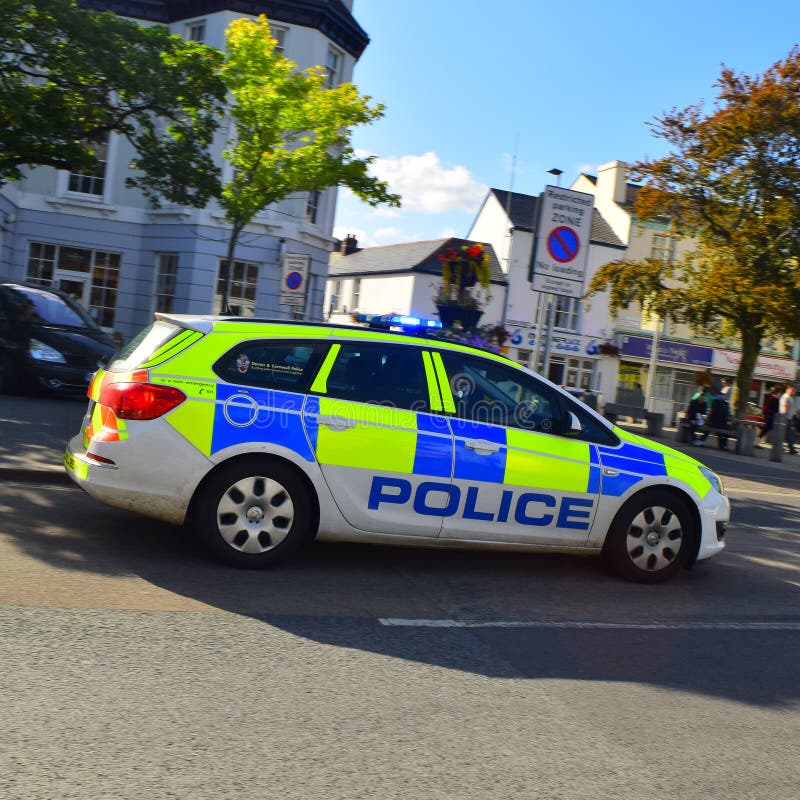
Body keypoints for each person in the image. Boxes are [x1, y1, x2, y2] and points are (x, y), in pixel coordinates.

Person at [779, 385, 797, 455]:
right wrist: (784, 417)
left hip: (789, 418)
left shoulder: (789, 397)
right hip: (786, 418)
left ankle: (791, 449)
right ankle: (791, 449)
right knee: (789, 434)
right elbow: (785, 407)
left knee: (789, 434)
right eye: (793, 390)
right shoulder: (786, 397)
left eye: (795, 391)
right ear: (788, 390)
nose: (794, 392)